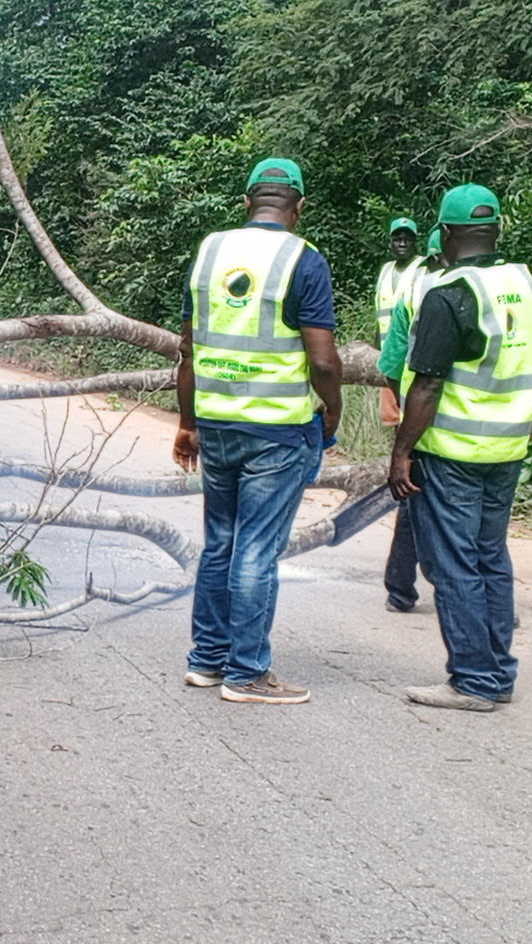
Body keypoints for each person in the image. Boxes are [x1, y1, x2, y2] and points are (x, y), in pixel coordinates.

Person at [172, 157, 343, 704]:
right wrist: (332, 407)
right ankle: (247, 674)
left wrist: (186, 422)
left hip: (217, 425)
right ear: (299, 207)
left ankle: (207, 661)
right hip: (275, 431)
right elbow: (323, 359)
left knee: (220, 542)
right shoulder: (305, 260)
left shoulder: (210, 252)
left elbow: (189, 350)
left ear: (248, 202)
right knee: (256, 551)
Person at [387, 184, 532, 712]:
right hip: (507, 449)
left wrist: (401, 451)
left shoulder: (449, 294)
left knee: (454, 564)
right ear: (497, 229)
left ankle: (473, 681)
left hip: (454, 450)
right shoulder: (527, 286)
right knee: (490, 558)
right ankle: (498, 673)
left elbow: (427, 384)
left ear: (448, 234)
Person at [375, 227, 446, 613]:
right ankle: (481, 596)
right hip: (487, 436)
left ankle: (400, 588)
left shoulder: (413, 292)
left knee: (411, 501)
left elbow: (391, 363)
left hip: (424, 421)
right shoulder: (501, 288)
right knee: (474, 523)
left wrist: (405, 414)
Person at [375, 218, 425, 426]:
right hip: (389, 354)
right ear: (390, 242)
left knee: (411, 414)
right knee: (392, 417)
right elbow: (379, 313)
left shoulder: (423, 268)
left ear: (415, 242)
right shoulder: (386, 269)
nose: (402, 244)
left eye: (407, 239)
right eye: (398, 239)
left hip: (410, 356)